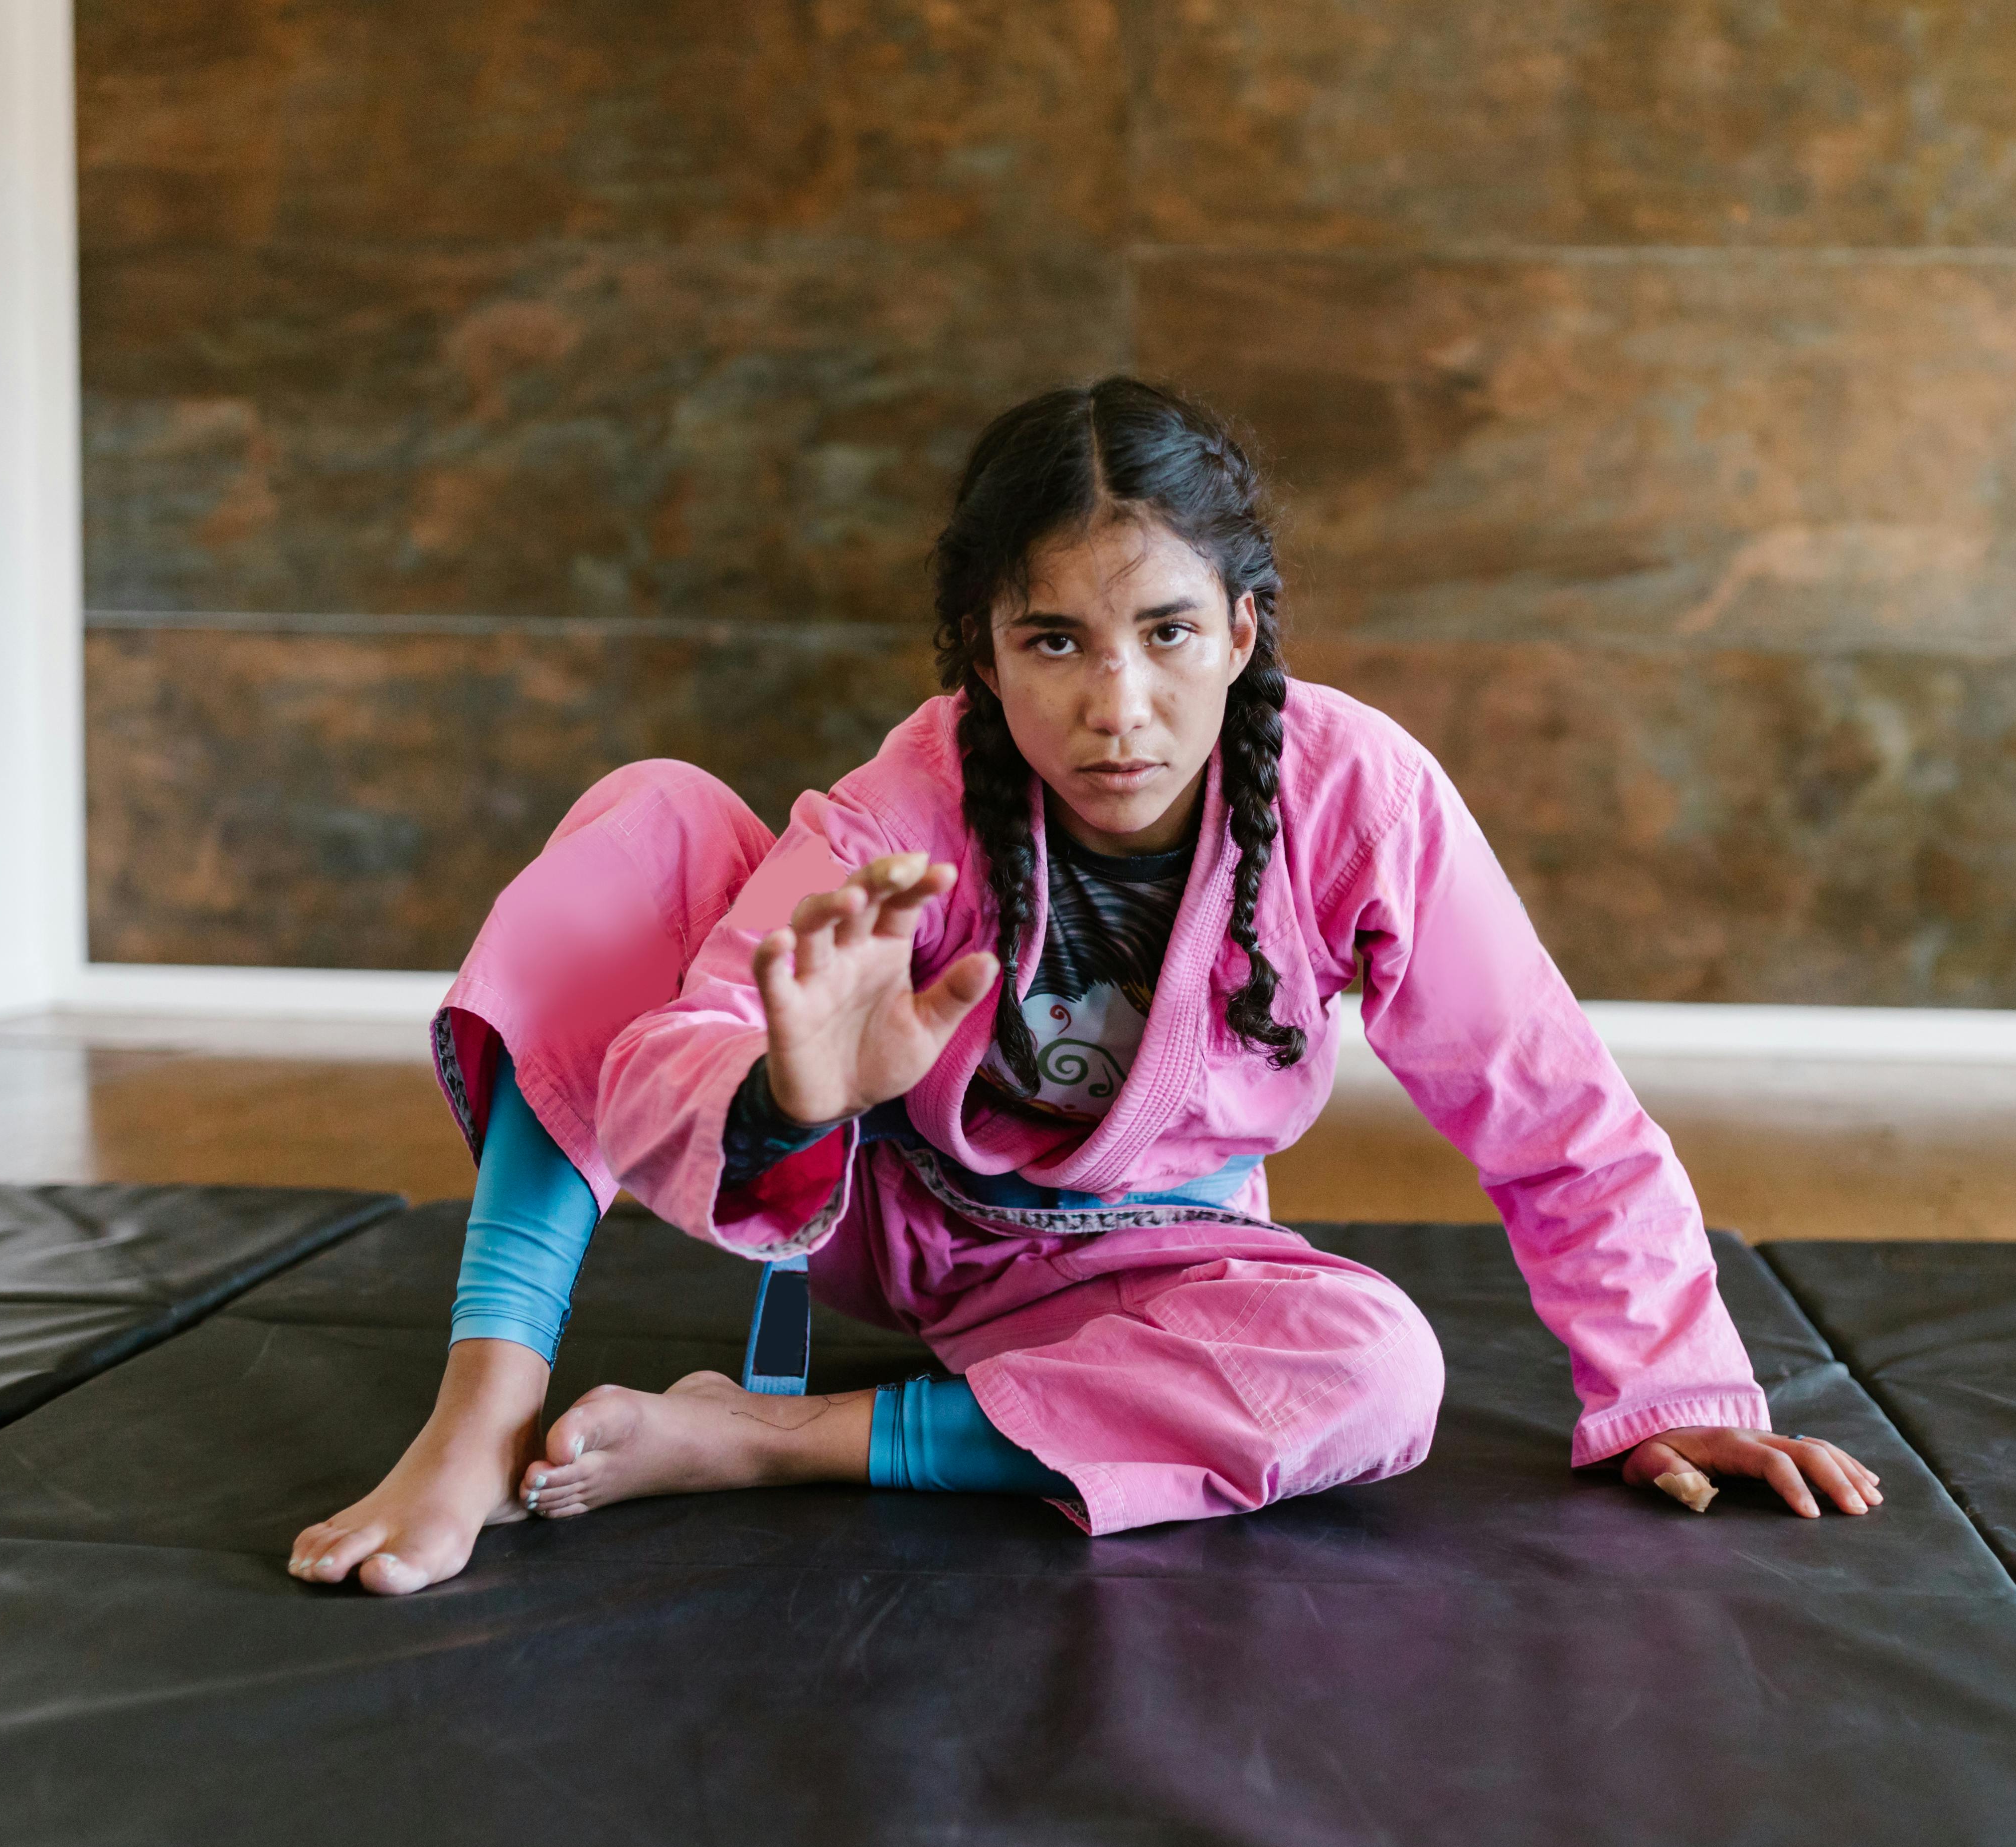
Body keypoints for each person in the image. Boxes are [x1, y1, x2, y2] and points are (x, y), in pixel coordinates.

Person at [289, 378, 1881, 1595]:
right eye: (1052, 641)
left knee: (1382, 1369)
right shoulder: (904, 804)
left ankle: (775, 1439)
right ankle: (478, 1414)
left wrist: (1669, 1387)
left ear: (1242, 631)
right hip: (885, 1214)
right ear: (979, 653)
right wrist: (795, 1090)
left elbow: (1545, 1105)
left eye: (1168, 632)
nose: (1117, 705)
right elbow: (663, 1062)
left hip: (1147, 1265)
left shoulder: (1355, 795)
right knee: (650, 817)